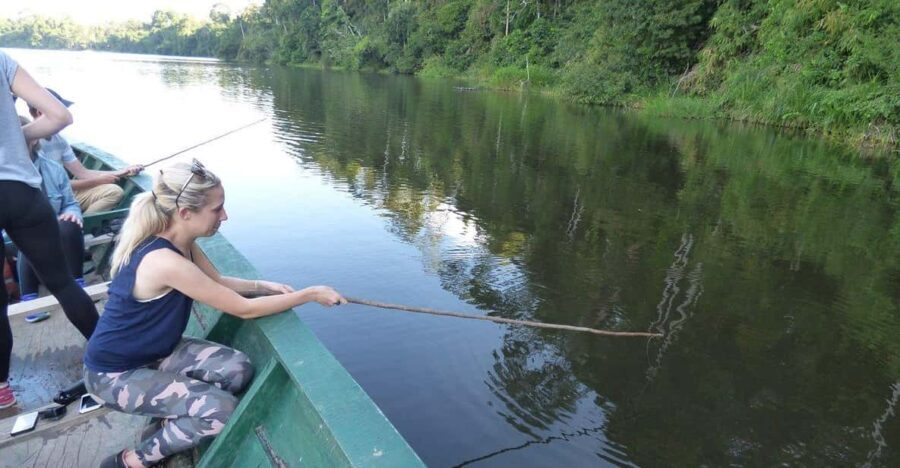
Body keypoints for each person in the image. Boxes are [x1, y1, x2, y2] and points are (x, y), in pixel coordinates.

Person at [83, 159, 347, 468]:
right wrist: (310, 295)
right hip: (112, 376)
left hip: (152, 354)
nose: (224, 215)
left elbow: (217, 282)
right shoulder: (165, 262)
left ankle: (172, 419)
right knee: (221, 411)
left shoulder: (181, 242)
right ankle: (131, 461)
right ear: (185, 213)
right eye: (216, 209)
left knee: (237, 369)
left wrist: (263, 285)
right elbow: (243, 309)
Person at [0, 50, 99, 410]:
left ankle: (1, 391)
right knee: (62, 283)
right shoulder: (1, 60)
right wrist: (16, 135)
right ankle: (111, 355)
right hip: (23, 190)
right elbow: (60, 115)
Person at [27, 89, 143, 213]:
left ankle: (79, 223)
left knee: (113, 192)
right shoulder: (29, 142)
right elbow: (50, 185)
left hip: (64, 194)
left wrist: (123, 171)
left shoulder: (60, 141)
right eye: (62, 113)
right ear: (40, 113)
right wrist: (97, 181)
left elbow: (83, 173)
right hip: (42, 199)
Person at [16, 115, 86, 301]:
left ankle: (78, 283)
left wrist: (72, 213)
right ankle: (29, 296)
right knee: (27, 233)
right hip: (15, 234)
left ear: (33, 139)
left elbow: (70, 203)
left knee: (70, 224)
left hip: (52, 225)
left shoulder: (53, 168)